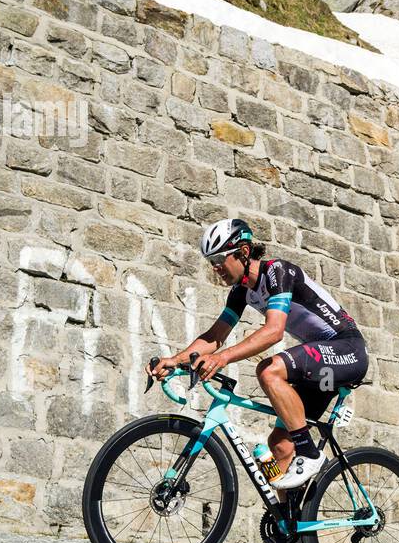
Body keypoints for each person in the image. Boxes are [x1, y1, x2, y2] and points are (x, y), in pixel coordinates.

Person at [147, 218, 368, 516]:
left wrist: (223, 358)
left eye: (219, 260)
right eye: (211, 262)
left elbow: (274, 331)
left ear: (243, 252)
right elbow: (215, 337)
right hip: (322, 364)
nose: (215, 268)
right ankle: (289, 527)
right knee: (280, 445)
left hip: (347, 349)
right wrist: (174, 360)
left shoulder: (278, 272)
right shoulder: (241, 291)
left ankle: (310, 454)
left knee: (268, 370)